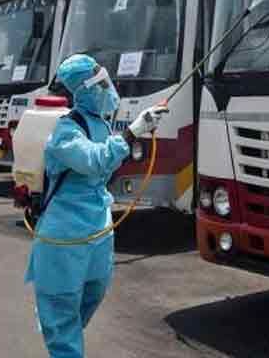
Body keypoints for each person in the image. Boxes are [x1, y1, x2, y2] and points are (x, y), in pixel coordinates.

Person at [25, 54, 168, 357]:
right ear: (82, 91)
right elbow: (93, 160)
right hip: (64, 236)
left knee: (91, 295)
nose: (108, 88)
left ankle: (67, 340)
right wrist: (132, 133)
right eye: (100, 84)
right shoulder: (65, 130)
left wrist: (136, 131)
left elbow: (107, 161)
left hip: (97, 229)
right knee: (62, 315)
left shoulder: (100, 124)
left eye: (106, 80)